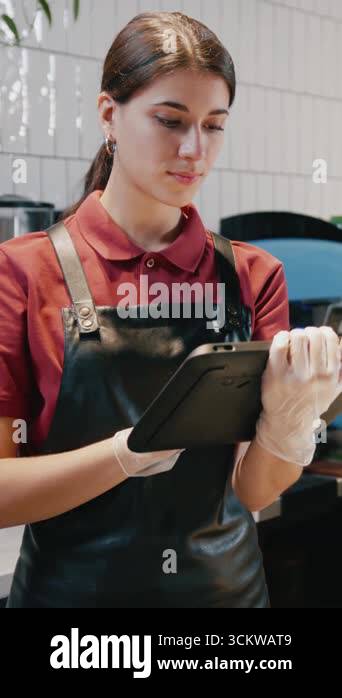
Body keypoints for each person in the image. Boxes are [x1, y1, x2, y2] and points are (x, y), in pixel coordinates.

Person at [0, 11, 341, 608]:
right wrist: (122, 456)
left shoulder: (254, 277)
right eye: (170, 121)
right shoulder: (23, 271)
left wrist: (292, 423)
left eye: (214, 125)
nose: (194, 150)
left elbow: (253, 491)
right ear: (110, 114)